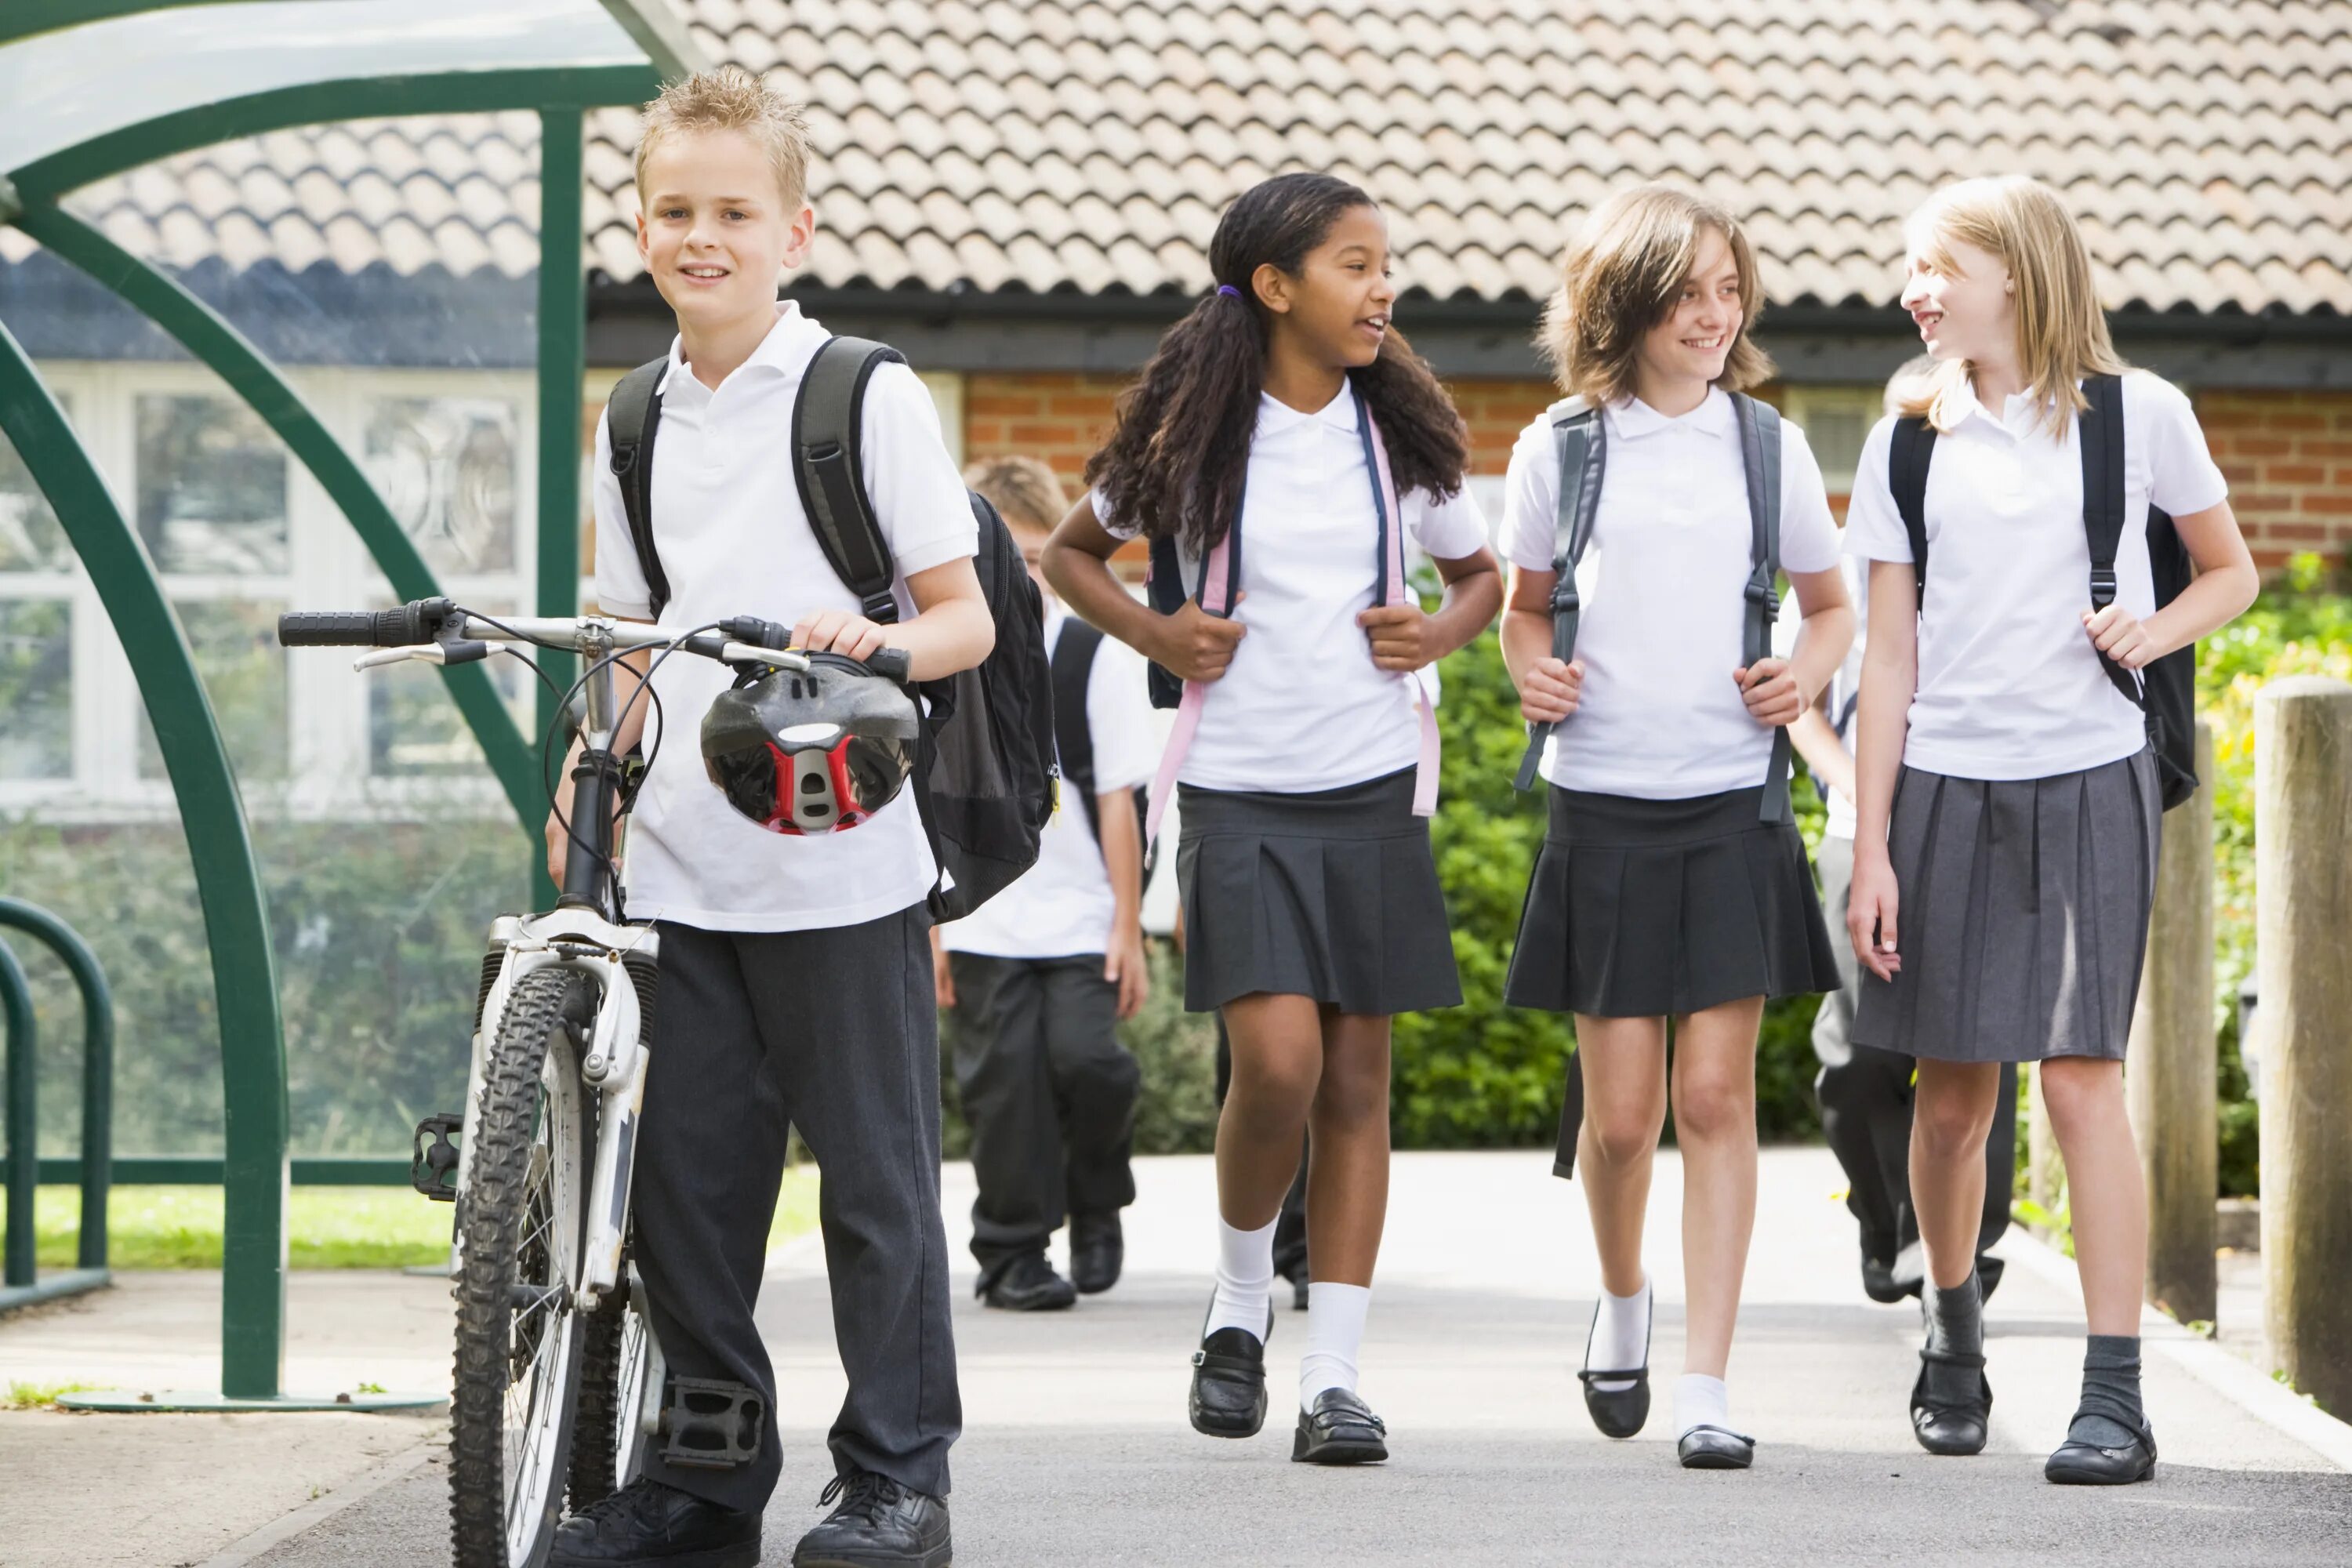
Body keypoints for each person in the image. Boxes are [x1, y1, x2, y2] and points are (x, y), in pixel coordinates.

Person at [546, 68, 990, 1568]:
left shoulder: (861, 395)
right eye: (676, 210)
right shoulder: (629, 419)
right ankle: (703, 1479)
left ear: (791, 226)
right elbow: (622, 634)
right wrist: (578, 792)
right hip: (677, 865)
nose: (702, 236)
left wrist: (871, 648)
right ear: (643, 224)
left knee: (877, 1195)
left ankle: (896, 1484)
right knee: (687, 1195)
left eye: (733, 211)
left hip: (841, 861)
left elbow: (966, 622)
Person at [1043, 171, 1501, 1466]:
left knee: (1359, 1080)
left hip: (1370, 790)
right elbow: (1070, 554)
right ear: (1274, 285)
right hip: (1238, 788)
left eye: (1384, 263)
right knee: (1281, 1067)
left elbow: (1481, 577)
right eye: (1356, 265)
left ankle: (1337, 1373)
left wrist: (1439, 633)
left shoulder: (1395, 436)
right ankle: (1240, 1308)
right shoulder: (1191, 437)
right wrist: (1159, 631)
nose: (1382, 289)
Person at [1842, 176, 2257, 1484]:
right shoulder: (1907, 435)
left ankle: (2114, 1397)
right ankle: (1952, 1339)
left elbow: (2229, 570)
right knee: (1954, 1096)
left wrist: (2156, 625)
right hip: (1943, 785)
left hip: (2093, 772)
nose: (1916, 288)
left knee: (2082, 1080)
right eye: (1912, 267)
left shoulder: (2144, 417)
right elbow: (1888, 660)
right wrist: (1870, 844)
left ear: (2014, 273)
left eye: (1936, 265)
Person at [1497, 184, 1854, 1471]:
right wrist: (1529, 671)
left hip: (1731, 805)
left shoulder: (1766, 448)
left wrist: (1800, 674)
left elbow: (1829, 608)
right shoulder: (1563, 447)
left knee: (1714, 1098)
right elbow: (1522, 611)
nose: (1716, 314)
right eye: (1688, 292)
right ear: (1623, 304)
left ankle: (1707, 1378)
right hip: (1600, 807)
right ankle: (1626, 1296)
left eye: (1728, 289)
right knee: (1624, 1119)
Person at [1784, 358, 2015, 1308]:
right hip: (1858, 827)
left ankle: (1956, 1248)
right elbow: (1800, 701)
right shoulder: (1836, 564)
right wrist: (1856, 790)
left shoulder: (2005, 547)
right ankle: (1887, 1225)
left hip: (1976, 816)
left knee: (1974, 1043)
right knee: (1859, 1058)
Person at [932, 456, 1154, 1312]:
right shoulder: (949, 653)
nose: (1018, 576)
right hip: (982, 915)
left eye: (1033, 557)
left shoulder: (1092, 654)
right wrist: (936, 929)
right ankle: (1014, 1249)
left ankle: (1097, 1199)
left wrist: (1128, 928)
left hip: (1081, 913)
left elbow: (1119, 802)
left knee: (1091, 1062)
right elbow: (926, 801)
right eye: (1001, 557)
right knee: (1004, 1084)